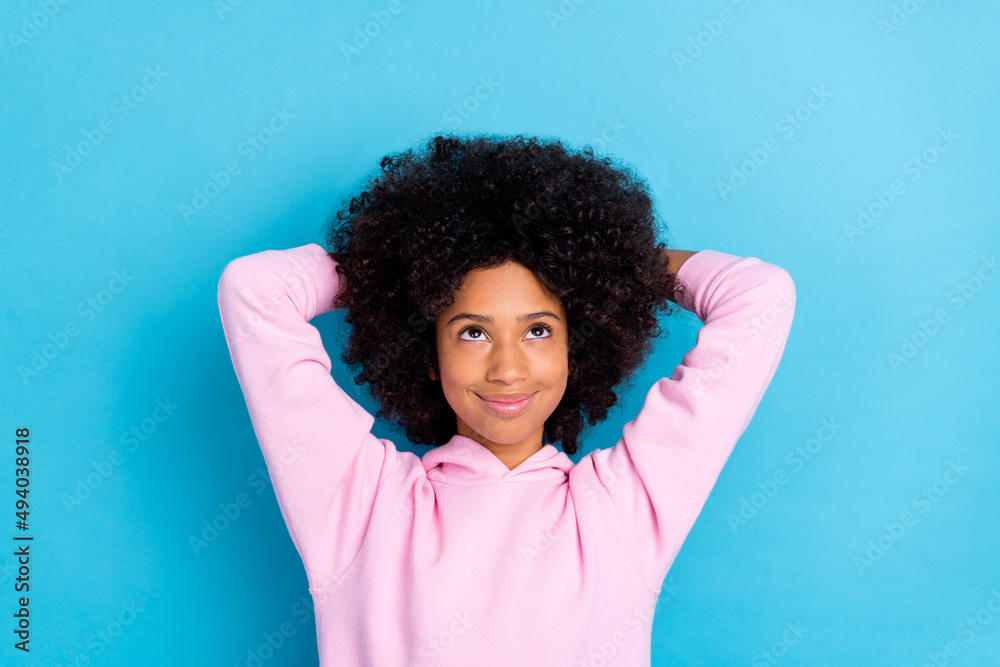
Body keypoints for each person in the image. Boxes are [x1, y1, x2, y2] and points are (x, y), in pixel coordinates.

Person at [217, 134, 796, 665]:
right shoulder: (358, 505)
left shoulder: (625, 508)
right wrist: (390, 274)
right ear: (429, 350)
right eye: (472, 331)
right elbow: (254, 290)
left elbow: (760, 296)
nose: (508, 367)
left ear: (576, 347)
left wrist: (620, 267)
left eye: (539, 330)